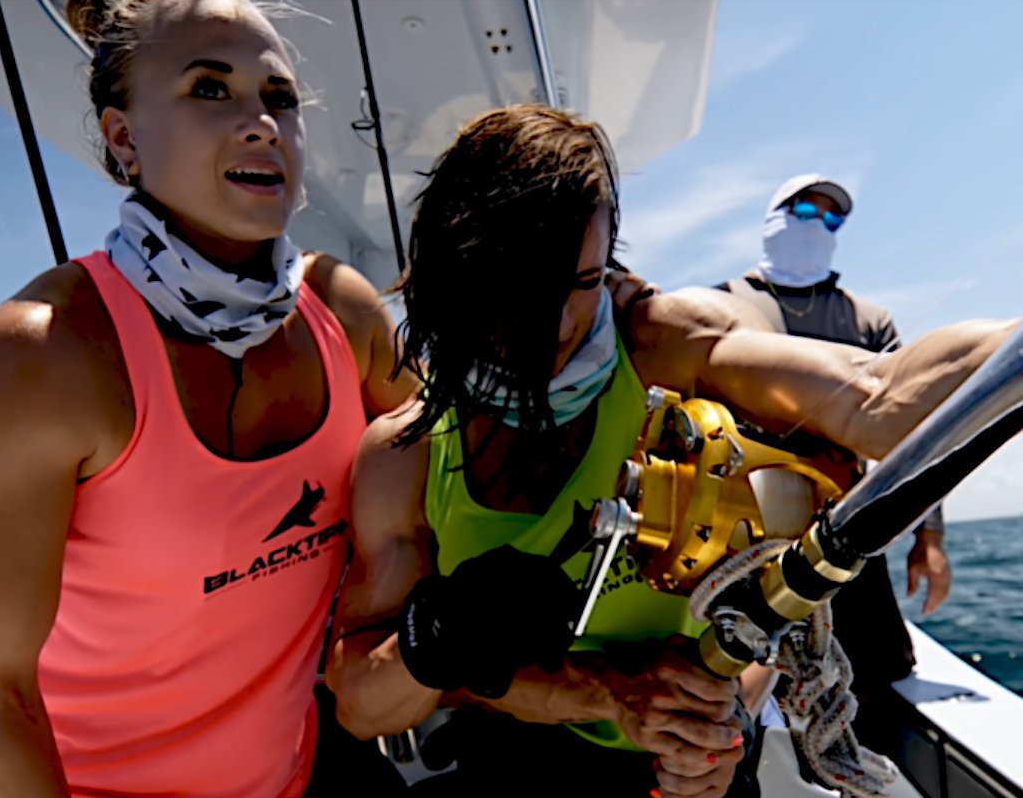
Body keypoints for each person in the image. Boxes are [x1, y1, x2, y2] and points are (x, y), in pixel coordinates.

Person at [325, 105, 1015, 797]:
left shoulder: (664, 345)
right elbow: (361, 703)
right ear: (458, 274)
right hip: (516, 762)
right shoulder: (406, 453)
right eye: (523, 289)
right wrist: (438, 636)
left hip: (695, 764)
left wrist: (723, 724)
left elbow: (875, 395)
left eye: (585, 283)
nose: (559, 324)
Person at [0, 0, 415, 797]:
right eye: (210, 91)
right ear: (123, 138)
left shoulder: (344, 314)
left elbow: (456, 472)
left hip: (302, 769)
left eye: (278, 97)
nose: (261, 124)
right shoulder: (36, 362)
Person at [717, 175, 950, 739]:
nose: (816, 227)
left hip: (851, 536)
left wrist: (930, 540)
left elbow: (915, 434)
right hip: (746, 538)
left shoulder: (869, 322)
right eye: (803, 210)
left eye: (831, 219)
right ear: (774, 217)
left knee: (875, 677)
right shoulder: (723, 306)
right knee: (738, 687)